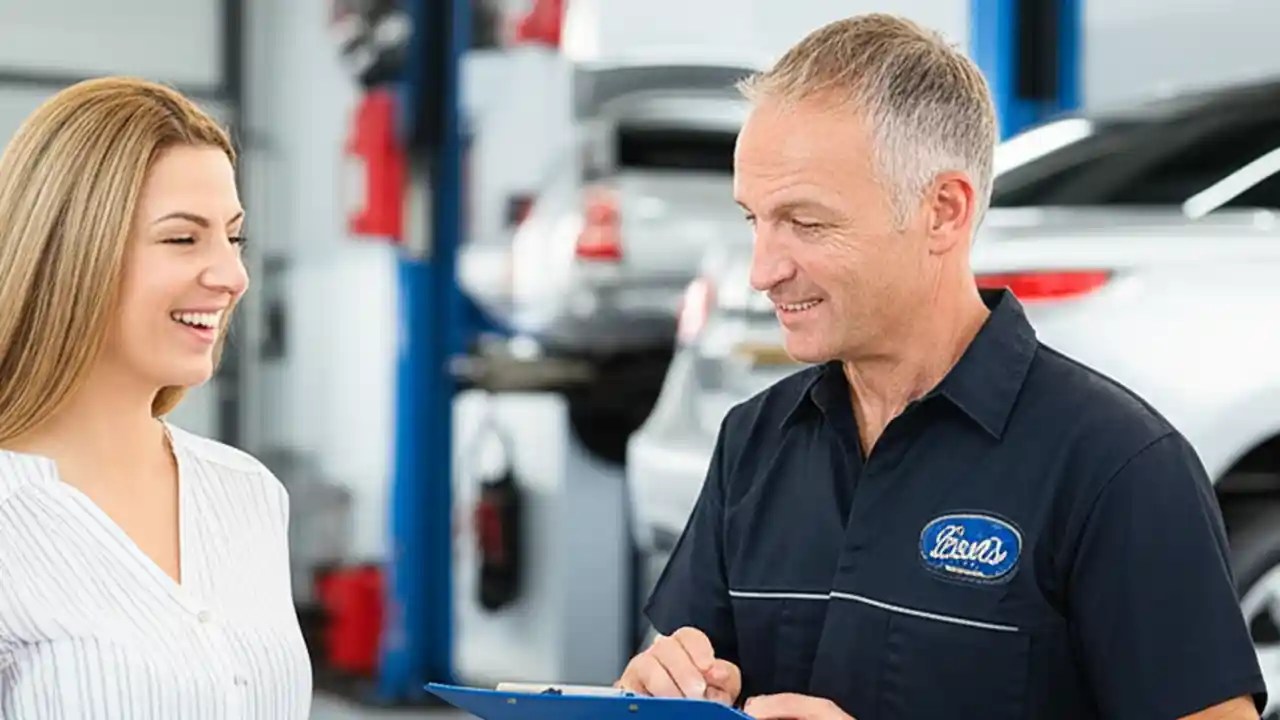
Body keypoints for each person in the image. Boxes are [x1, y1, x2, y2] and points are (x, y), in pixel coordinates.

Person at [617, 14, 1267, 720]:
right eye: (755, 220)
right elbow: (692, 679)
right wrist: (661, 695)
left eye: (807, 223)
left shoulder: (1117, 469)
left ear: (944, 212)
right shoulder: (755, 443)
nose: (763, 270)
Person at [0, 77, 312, 718]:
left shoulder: (248, 493)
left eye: (234, 237)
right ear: (69, 251)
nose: (232, 275)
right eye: (182, 238)